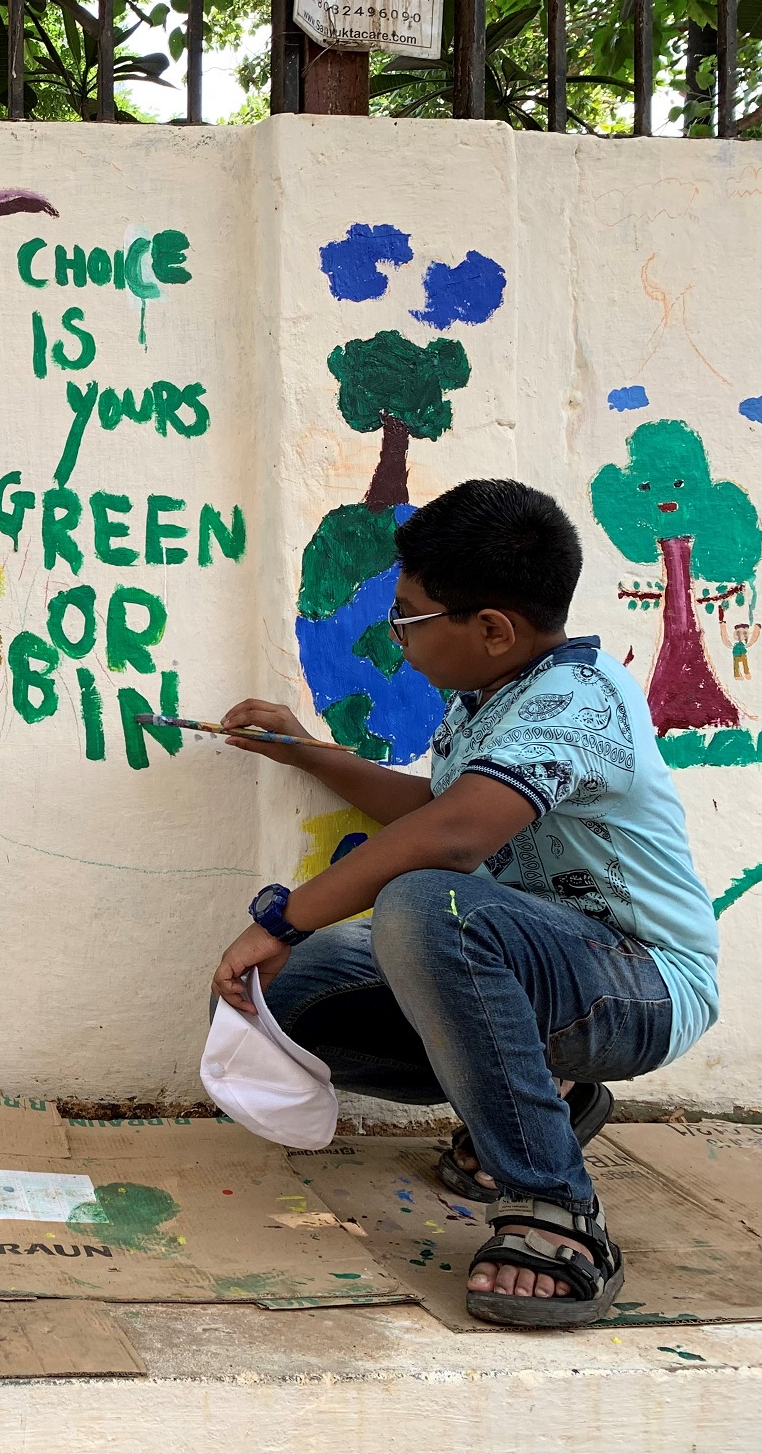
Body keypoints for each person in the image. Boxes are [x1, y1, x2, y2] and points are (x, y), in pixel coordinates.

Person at [212, 479, 717, 1328]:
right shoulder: (490, 699)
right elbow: (436, 811)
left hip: (641, 986)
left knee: (425, 905)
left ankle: (555, 1208)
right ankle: (541, 1101)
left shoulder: (578, 699)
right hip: (543, 974)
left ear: (491, 630)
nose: (395, 635)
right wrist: (306, 753)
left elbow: (453, 838)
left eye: (407, 617)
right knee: (289, 998)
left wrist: (282, 918)